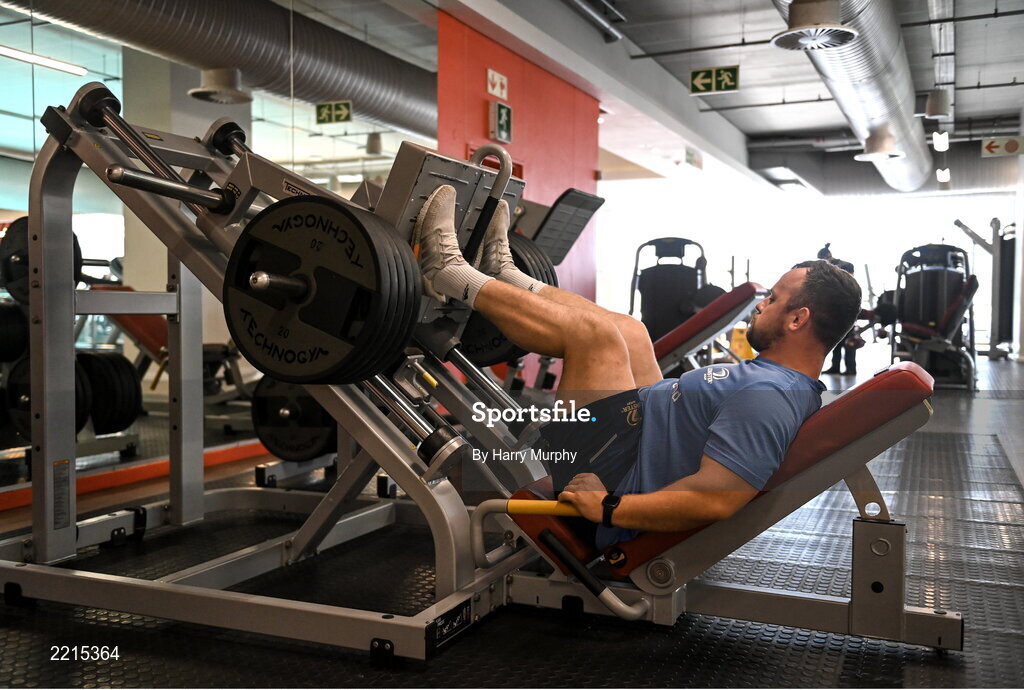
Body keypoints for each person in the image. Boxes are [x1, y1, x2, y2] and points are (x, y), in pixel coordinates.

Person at [413, 186, 862, 547]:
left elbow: (716, 500)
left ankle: (449, 272)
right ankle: (507, 275)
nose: (761, 305)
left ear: (798, 319)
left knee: (597, 338)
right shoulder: (776, 380)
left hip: (613, 474)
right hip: (637, 438)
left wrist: (608, 506)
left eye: (774, 299)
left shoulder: (771, 397)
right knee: (630, 330)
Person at [816, 243, 859, 376]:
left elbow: (847, 282)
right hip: (834, 307)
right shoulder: (826, 268)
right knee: (835, 340)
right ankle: (835, 366)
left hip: (846, 306)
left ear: (827, 255)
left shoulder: (846, 266)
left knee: (849, 340)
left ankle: (851, 368)